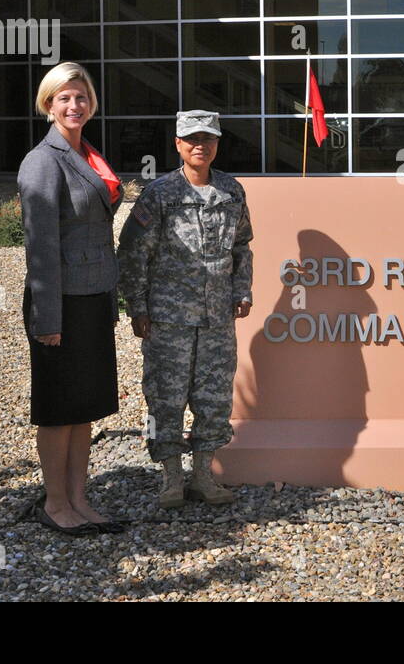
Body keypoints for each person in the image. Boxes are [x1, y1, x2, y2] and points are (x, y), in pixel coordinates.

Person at [117, 110, 254, 509]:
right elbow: (133, 253)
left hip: (216, 320)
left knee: (213, 399)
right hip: (167, 319)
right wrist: (137, 306)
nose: (201, 145)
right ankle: (171, 480)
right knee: (165, 398)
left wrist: (242, 289)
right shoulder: (160, 193)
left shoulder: (231, 191)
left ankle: (204, 477)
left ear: (217, 144)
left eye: (208, 138)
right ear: (177, 144)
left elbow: (242, 246)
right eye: (192, 138)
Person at [17, 62, 124, 536]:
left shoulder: (87, 155)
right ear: (48, 104)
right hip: (61, 305)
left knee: (86, 408)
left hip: (94, 298)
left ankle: (80, 498)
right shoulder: (44, 160)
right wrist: (47, 317)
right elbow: (41, 247)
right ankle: (54, 503)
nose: (74, 105)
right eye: (64, 98)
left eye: (81, 97)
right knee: (61, 410)